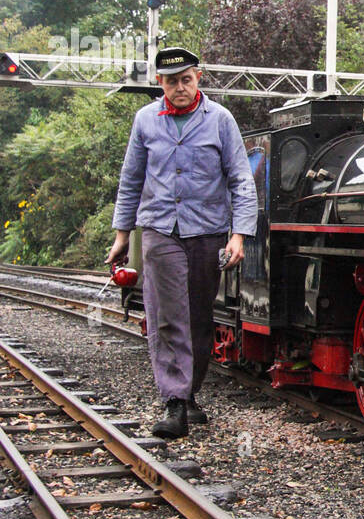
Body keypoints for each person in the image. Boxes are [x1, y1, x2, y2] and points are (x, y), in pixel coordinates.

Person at [106, 47, 257, 439]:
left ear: (198, 78)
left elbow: (241, 179)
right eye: (171, 82)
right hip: (160, 231)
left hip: (207, 232)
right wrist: (123, 234)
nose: (179, 88)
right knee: (169, 315)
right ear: (160, 84)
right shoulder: (145, 121)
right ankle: (174, 402)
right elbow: (131, 179)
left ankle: (190, 393)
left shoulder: (220, 121)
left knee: (199, 318)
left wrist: (239, 234)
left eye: (186, 80)